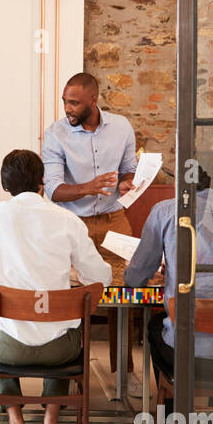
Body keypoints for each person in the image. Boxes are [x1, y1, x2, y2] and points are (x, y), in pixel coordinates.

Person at [0, 149, 114, 424]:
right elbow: (101, 277)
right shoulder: (67, 220)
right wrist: (74, 273)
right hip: (60, 349)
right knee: (62, 327)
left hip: (8, 347)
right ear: (42, 182)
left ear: (5, 184)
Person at [123, 151, 213, 424]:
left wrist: (164, 271)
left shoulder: (166, 211)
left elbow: (135, 277)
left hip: (189, 350)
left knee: (157, 327)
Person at [41, 71, 139, 374]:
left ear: (93, 101)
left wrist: (127, 183)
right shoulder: (55, 134)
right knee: (70, 293)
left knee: (124, 294)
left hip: (115, 221)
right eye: (65, 102)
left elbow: (129, 169)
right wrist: (89, 187)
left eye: (74, 103)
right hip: (72, 224)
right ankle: (70, 372)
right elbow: (53, 190)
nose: (67, 109)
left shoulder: (121, 127)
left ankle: (123, 372)